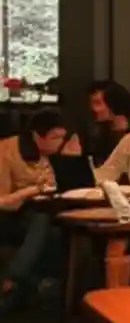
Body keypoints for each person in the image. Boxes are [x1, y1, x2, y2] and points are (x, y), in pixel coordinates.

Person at [0, 110, 77, 310]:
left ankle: (30, 285)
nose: (59, 142)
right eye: (55, 137)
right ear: (36, 135)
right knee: (41, 221)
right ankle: (12, 280)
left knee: (59, 232)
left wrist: (70, 162)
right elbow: (2, 202)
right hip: (9, 216)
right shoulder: (7, 151)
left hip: (41, 213)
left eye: (62, 136)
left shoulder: (52, 154)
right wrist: (33, 190)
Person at [84, 80, 130, 166]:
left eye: (98, 103)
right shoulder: (97, 132)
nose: (93, 108)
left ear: (114, 103)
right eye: (91, 103)